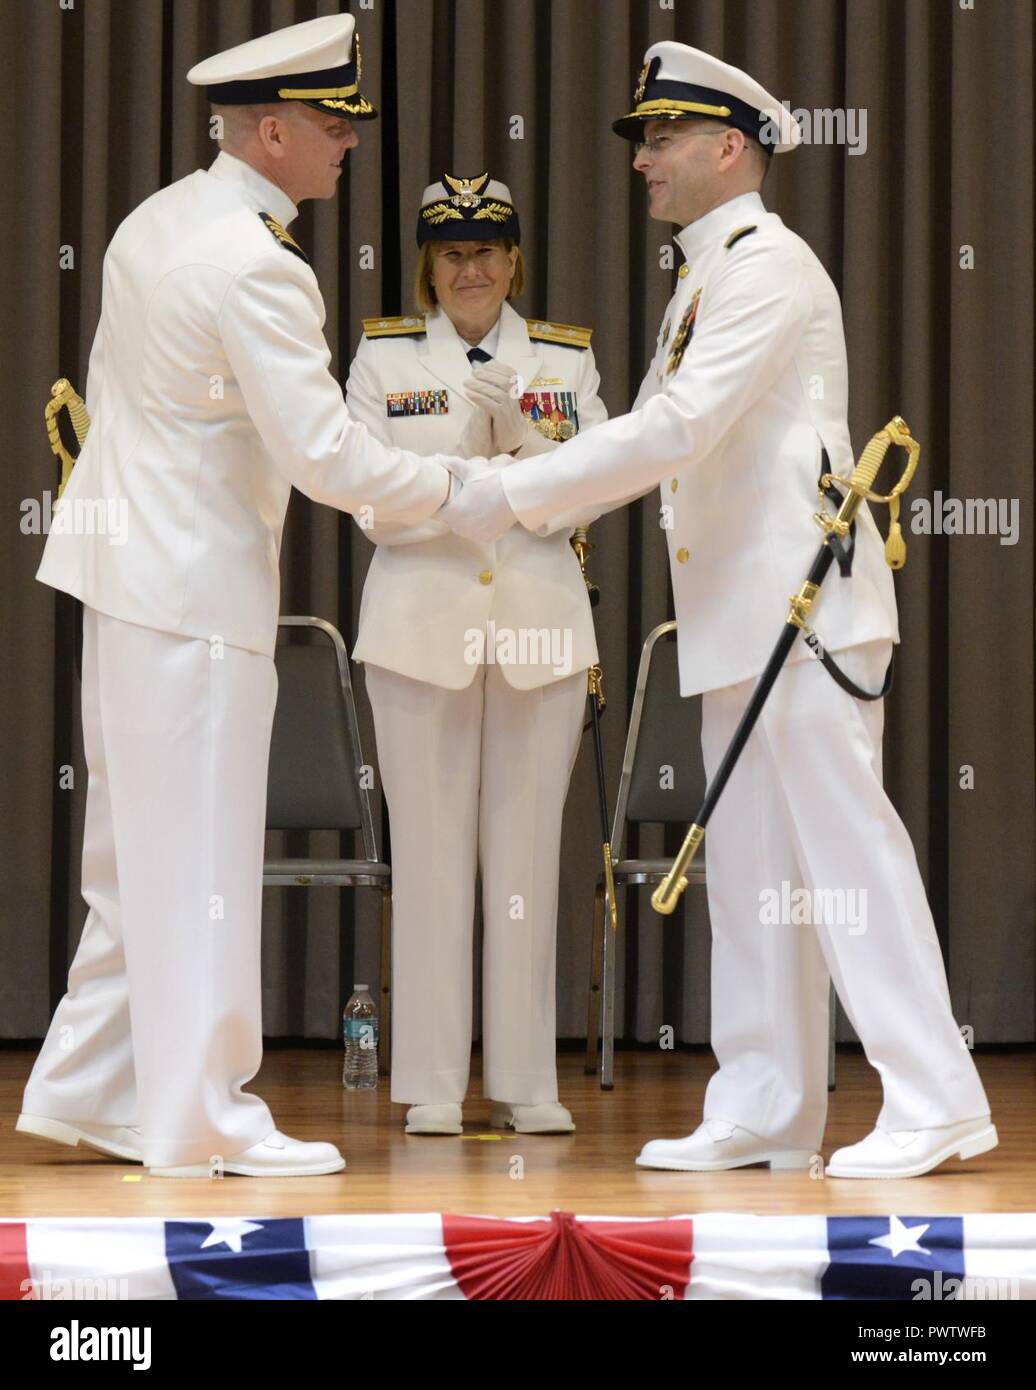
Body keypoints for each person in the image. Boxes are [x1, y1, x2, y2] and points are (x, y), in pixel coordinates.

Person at [441, 42, 997, 1179]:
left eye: (659, 139)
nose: (642, 162)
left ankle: (937, 1095)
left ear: (726, 146)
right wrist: (525, 490)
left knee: (847, 854)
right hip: (737, 613)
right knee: (755, 871)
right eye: (643, 141)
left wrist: (501, 494)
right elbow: (641, 442)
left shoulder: (766, 266)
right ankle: (766, 1100)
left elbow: (675, 428)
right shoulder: (704, 275)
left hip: (803, 612)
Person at [18, 14, 500, 1179]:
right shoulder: (254, 263)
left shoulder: (157, 218)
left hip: (129, 575)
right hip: (194, 590)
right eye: (333, 126)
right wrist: (468, 487)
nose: (346, 145)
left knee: (138, 862)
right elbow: (328, 457)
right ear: (274, 130)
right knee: (201, 868)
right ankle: (204, 1120)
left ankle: (93, 1087)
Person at [345, 173, 608, 1134]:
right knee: (428, 858)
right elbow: (369, 503)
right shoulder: (382, 359)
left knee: (529, 858)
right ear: (428, 261)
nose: (471, 268)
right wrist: (471, 457)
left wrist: (524, 448)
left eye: (488, 250)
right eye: (452, 251)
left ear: (514, 259)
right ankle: (429, 1082)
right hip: (419, 631)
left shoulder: (566, 361)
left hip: (538, 629)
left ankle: (528, 1081)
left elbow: (593, 489)